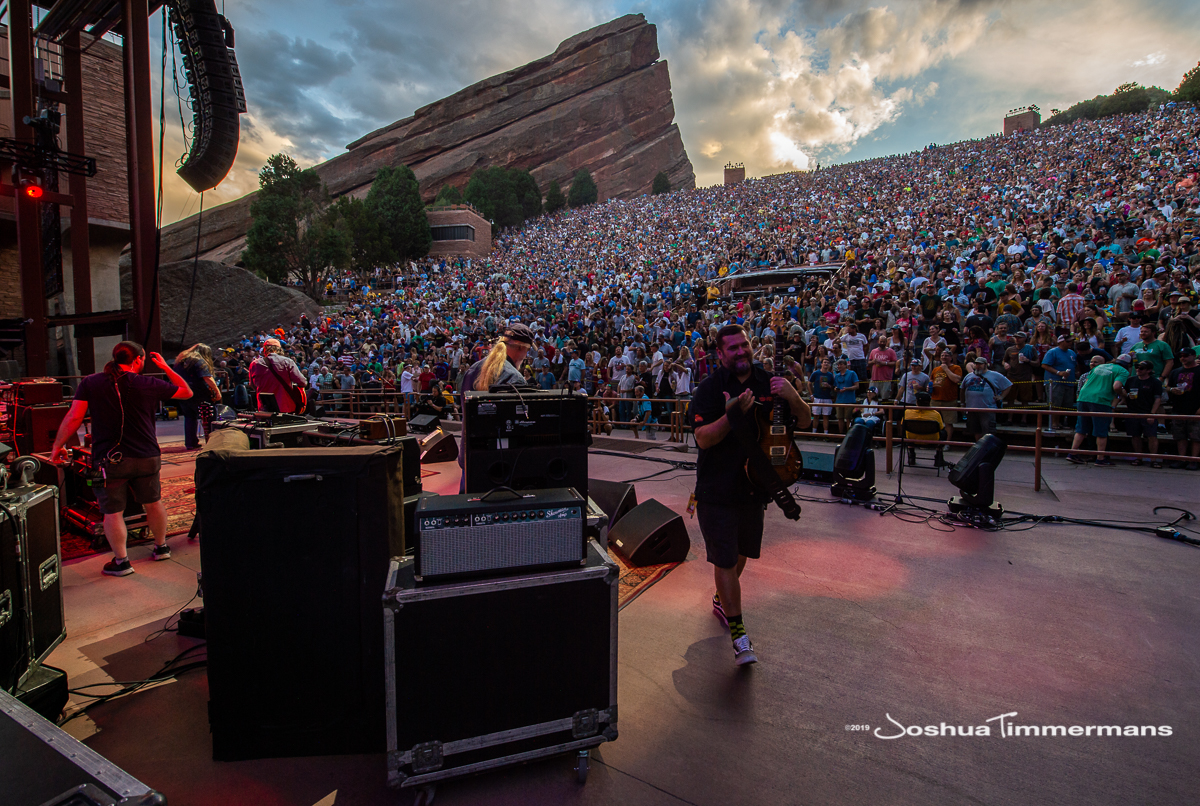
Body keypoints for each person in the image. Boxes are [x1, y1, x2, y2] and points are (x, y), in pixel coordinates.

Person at [690, 323, 810, 666]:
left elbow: (805, 421)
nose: (741, 351)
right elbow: (703, 438)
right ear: (720, 353)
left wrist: (793, 396)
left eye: (744, 345)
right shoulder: (710, 389)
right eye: (733, 347)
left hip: (755, 487)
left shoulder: (770, 382)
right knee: (725, 560)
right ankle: (739, 634)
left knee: (742, 553)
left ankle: (722, 599)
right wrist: (732, 415)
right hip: (716, 488)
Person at [49, 341, 193, 577]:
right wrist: (165, 367)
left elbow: (74, 416)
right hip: (147, 456)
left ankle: (122, 562)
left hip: (107, 460)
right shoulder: (147, 383)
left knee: (112, 511)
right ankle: (161, 548)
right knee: (154, 502)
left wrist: (58, 446)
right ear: (137, 360)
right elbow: (187, 392)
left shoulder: (91, 382)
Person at [457, 322, 535, 491]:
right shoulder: (514, 378)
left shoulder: (473, 369)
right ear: (521, 348)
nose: (525, 356)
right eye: (527, 351)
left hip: (469, 455)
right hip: (498, 465)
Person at [1067, 354, 1131, 466]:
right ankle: (1100, 458)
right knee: (1101, 430)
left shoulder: (1099, 367)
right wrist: (1124, 394)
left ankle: (1072, 453)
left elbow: (1087, 382)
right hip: (1100, 400)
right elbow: (1116, 386)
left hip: (1083, 398)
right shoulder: (1122, 371)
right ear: (1128, 365)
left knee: (1081, 428)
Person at [174, 343, 222, 449]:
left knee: (189, 417)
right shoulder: (198, 361)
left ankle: (191, 443)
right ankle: (211, 442)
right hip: (199, 393)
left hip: (183, 392)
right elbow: (207, 377)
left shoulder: (180, 361)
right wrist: (217, 391)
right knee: (209, 417)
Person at [1123, 361, 1163, 467]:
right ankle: (1138, 458)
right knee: (1135, 436)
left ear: (1149, 370)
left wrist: (1152, 414)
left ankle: (1153, 460)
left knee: (1152, 436)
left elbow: (1158, 399)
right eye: (1137, 367)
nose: (1138, 370)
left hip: (1147, 411)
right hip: (1133, 412)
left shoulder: (1155, 382)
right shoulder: (1131, 380)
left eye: (1141, 368)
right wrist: (1126, 397)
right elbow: (1123, 393)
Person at [249, 338, 306, 413]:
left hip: (264, 408)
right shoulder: (287, 362)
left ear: (264, 349)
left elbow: (252, 385)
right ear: (279, 349)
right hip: (285, 407)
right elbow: (302, 382)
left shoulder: (254, 364)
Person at [961, 358, 1012, 442]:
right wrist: (962, 403)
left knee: (988, 431)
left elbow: (1008, 385)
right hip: (972, 408)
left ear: (985, 365)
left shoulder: (995, 375)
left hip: (987, 408)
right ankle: (979, 446)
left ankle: (987, 447)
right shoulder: (969, 376)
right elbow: (962, 389)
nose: (978, 366)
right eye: (976, 364)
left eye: (980, 364)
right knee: (976, 430)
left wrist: (1001, 396)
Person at [1166, 348, 1200, 470]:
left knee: (1196, 436)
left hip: (1195, 408)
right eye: (1180, 356)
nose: (1183, 358)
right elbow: (1168, 386)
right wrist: (1171, 390)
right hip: (1179, 407)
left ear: (1194, 356)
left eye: (1186, 355)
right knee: (1180, 436)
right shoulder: (1175, 372)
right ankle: (1182, 459)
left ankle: (1194, 461)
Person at [809, 357, 836, 434]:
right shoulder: (816, 373)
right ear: (821, 364)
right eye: (824, 362)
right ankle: (814, 433)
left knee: (826, 416)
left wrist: (829, 386)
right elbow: (809, 383)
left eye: (827, 363)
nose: (826, 364)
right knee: (816, 416)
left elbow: (833, 387)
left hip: (827, 398)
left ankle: (826, 434)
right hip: (817, 397)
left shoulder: (830, 375)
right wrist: (811, 394)